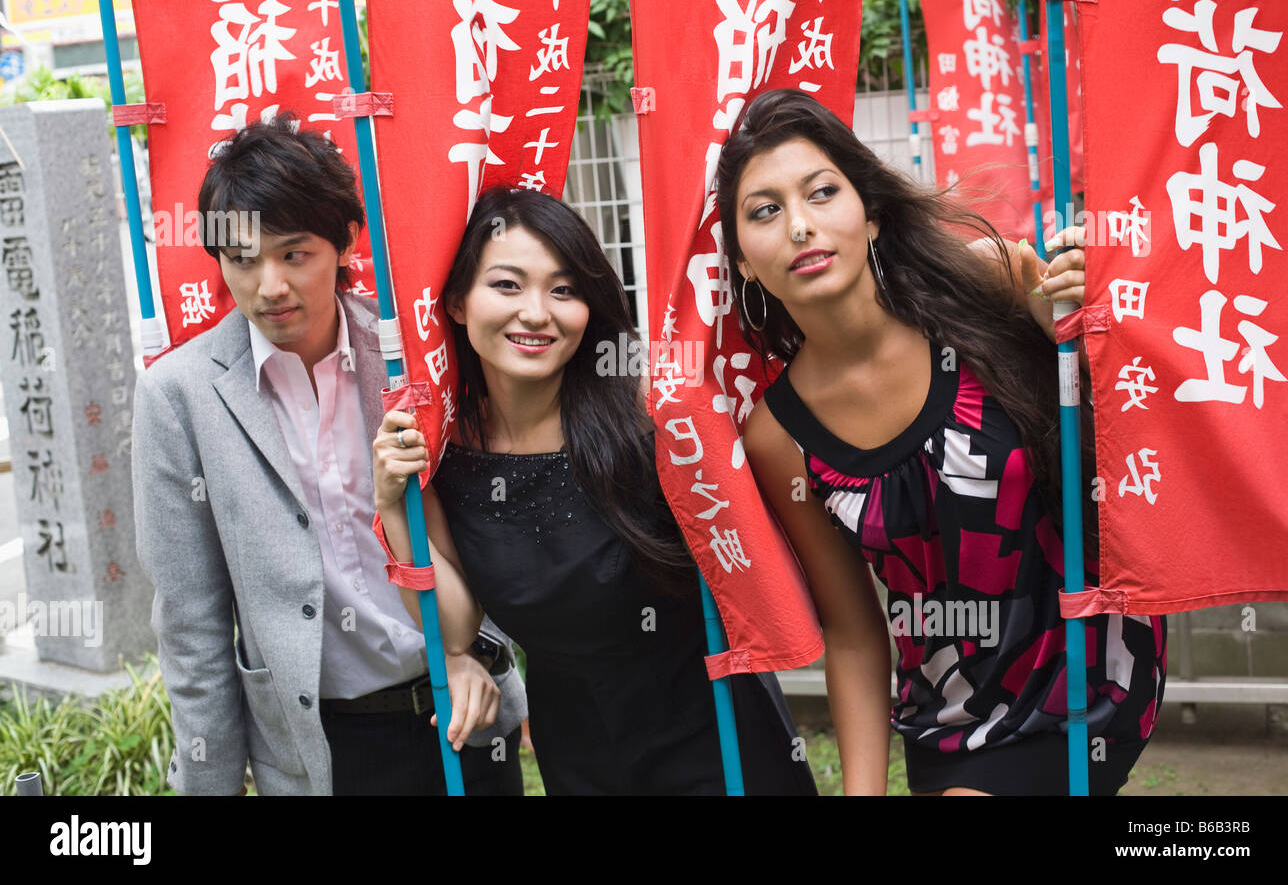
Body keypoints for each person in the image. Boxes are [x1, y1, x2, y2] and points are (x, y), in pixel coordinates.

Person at [714, 88, 1166, 796]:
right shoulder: (777, 437)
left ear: (868, 214)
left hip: (1086, 673)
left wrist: (1081, 334)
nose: (800, 226)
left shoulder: (984, 280)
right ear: (743, 261)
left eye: (822, 192)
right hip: (947, 717)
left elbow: (1130, 429)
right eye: (764, 211)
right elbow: (856, 634)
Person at [372, 187, 817, 795]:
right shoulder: (443, 448)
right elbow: (453, 630)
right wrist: (395, 503)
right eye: (506, 285)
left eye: (563, 290)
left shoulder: (651, 419)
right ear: (456, 301)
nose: (536, 313)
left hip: (713, 733)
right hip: (576, 748)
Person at [131, 117, 526, 795]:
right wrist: (210, 783)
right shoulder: (179, 396)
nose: (269, 286)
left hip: (462, 708)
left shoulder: (414, 355)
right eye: (242, 260)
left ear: (345, 241)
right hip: (321, 750)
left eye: (293, 253)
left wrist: (474, 651)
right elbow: (192, 624)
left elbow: (485, 524)